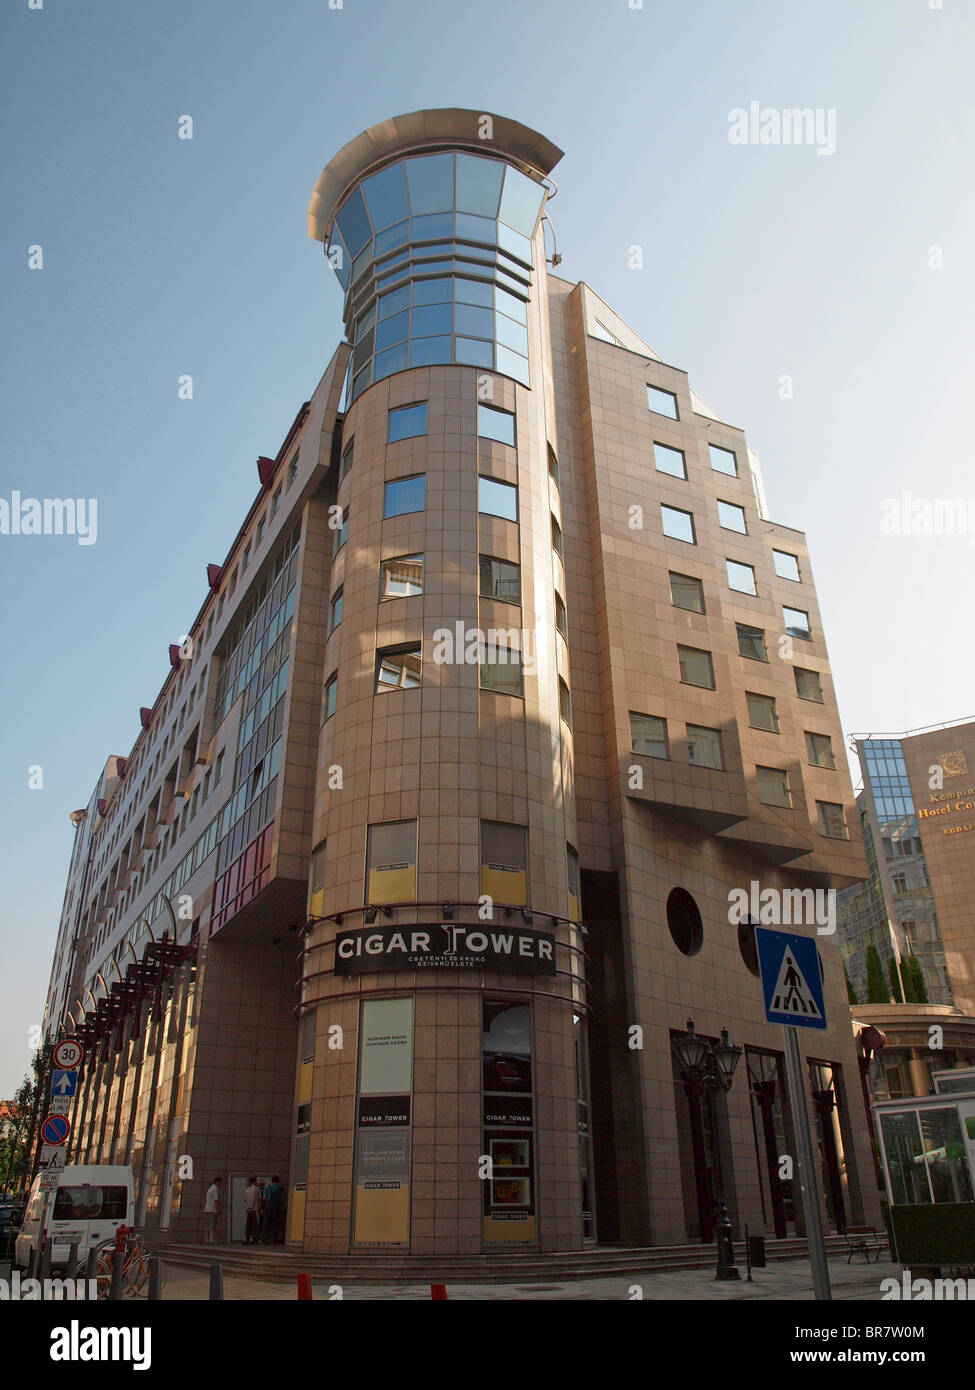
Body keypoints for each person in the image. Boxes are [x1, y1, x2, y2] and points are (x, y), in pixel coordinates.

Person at [260, 1174, 282, 1244]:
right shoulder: (280, 1187)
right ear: (277, 1180)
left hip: (268, 1206)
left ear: (272, 1180)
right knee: (274, 1223)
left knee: (266, 1223)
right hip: (276, 1206)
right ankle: (272, 1239)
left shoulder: (268, 1187)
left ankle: (264, 1240)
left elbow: (264, 1198)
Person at [203, 1176, 222, 1244]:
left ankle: (206, 1240)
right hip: (212, 1209)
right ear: (217, 1182)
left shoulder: (209, 1189)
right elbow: (216, 1200)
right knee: (213, 1225)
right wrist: (218, 1209)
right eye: (220, 1183)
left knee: (207, 1225)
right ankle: (212, 1239)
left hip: (207, 1209)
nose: (220, 1184)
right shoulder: (215, 1189)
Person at [243, 1175, 261, 1244]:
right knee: (254, 1224)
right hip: (254, 1208)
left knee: (248, 1223)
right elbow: (259, 1200)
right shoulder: (257, 1189)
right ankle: (252, 1237)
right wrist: (260, 1209)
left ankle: (245, 1237)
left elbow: (245, 1200)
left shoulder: (247, 1189)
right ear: (255, 1181)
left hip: (248, 1208)